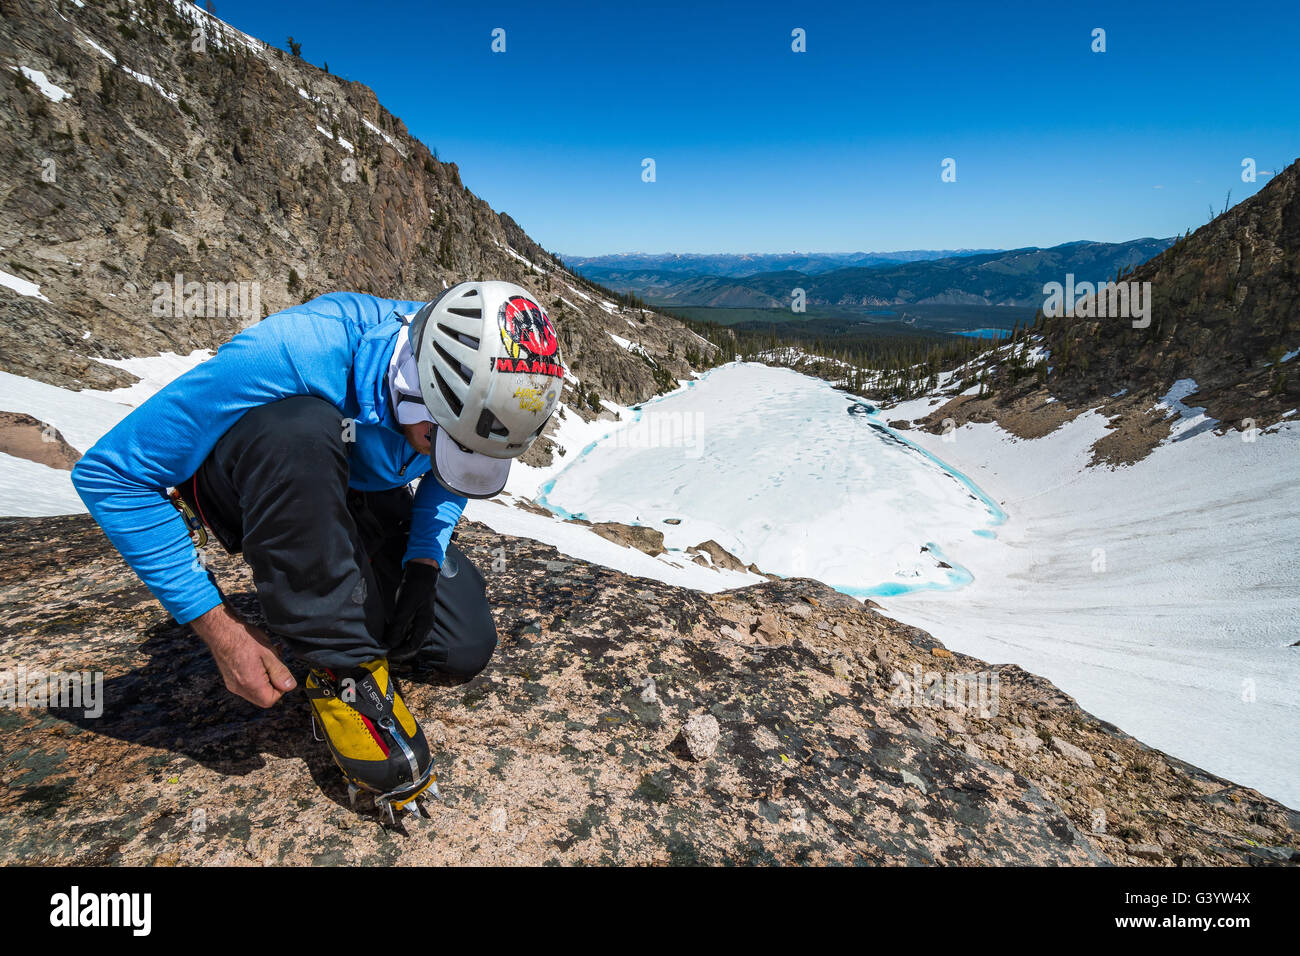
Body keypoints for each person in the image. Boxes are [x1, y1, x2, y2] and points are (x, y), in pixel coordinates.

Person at [72, 281, 565, 818]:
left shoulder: (468, 382)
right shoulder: (294, 351)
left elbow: (448, 473)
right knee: (298, 427)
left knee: (455, 646)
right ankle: (339, 671)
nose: (452, 454)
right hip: (269, 472)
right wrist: (218, 626)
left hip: (359, 485)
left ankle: (330, 609)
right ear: (417, 387)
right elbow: (111, 475)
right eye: (444, 438)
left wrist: (423, 562)